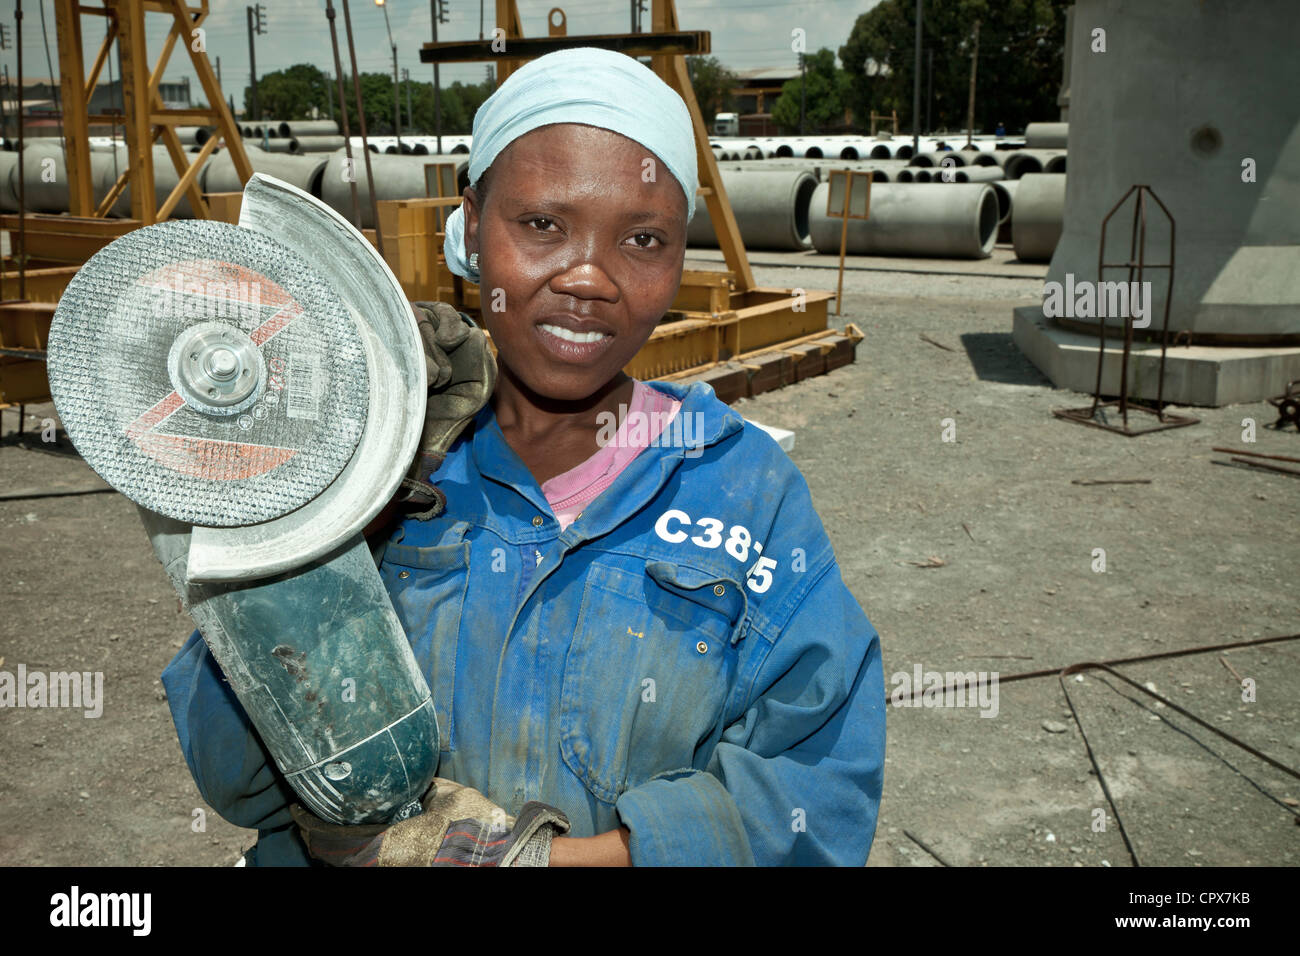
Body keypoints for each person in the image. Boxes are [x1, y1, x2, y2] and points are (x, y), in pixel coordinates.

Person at [161, 46, 884, 866]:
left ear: (682, 256)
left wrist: (525, 862)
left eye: (643, 238)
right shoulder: (385, 466)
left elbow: (816, 801)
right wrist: (327, 507)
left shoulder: (745, 491)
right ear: (471, 224)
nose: (588, 277)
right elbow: (236, 779)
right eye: (543, 224)